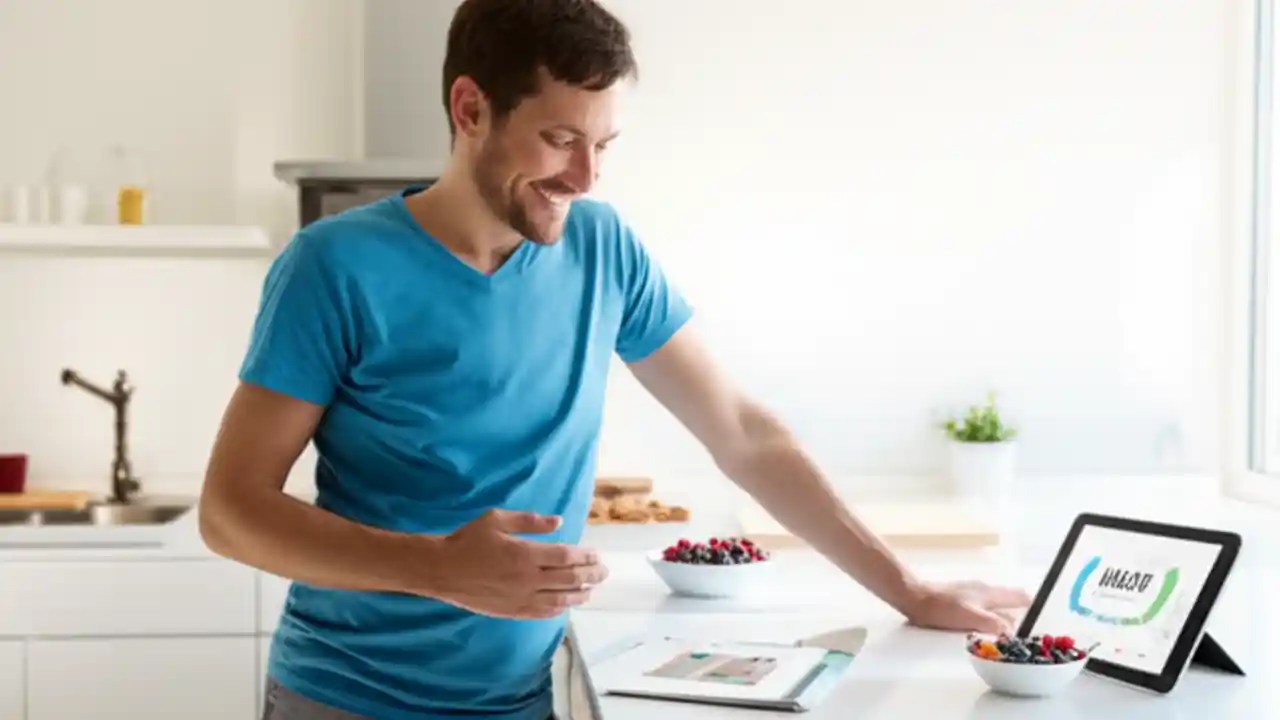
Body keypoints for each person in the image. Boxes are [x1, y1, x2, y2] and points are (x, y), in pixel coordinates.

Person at [198, 0, 1032, 718]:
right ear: (469, 108)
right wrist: (438, 570)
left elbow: (742, 433)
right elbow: (230, 511)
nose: (586, 176)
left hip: (519, 699)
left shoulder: (602, 250)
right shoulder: (333, 267)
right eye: (559, 138)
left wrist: (911, 591)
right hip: (348, 698)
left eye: (604, 144)